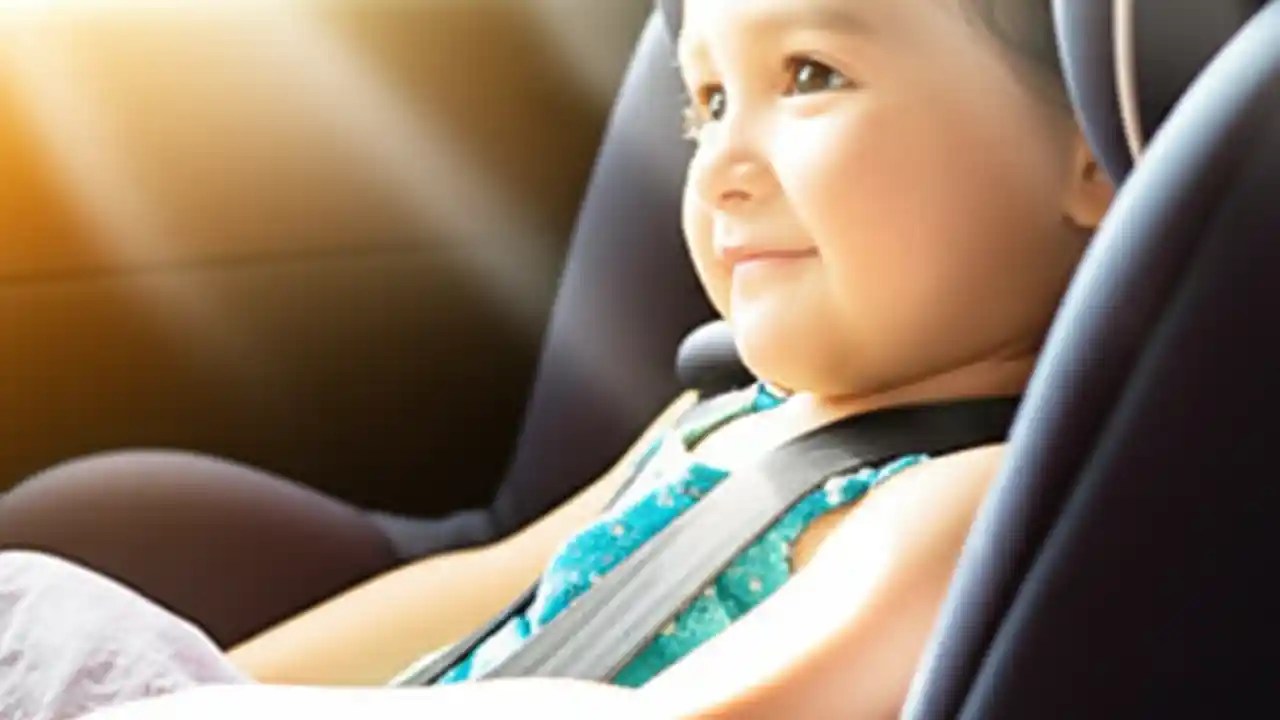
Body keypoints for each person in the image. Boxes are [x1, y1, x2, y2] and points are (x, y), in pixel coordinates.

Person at [2, 0, 1117, 716]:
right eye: (707, 103)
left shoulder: (961, 501)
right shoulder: (729, 413)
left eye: (811, 75)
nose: (719, 164)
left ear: (1092, 157)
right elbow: (483, 592)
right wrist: (205, 687)